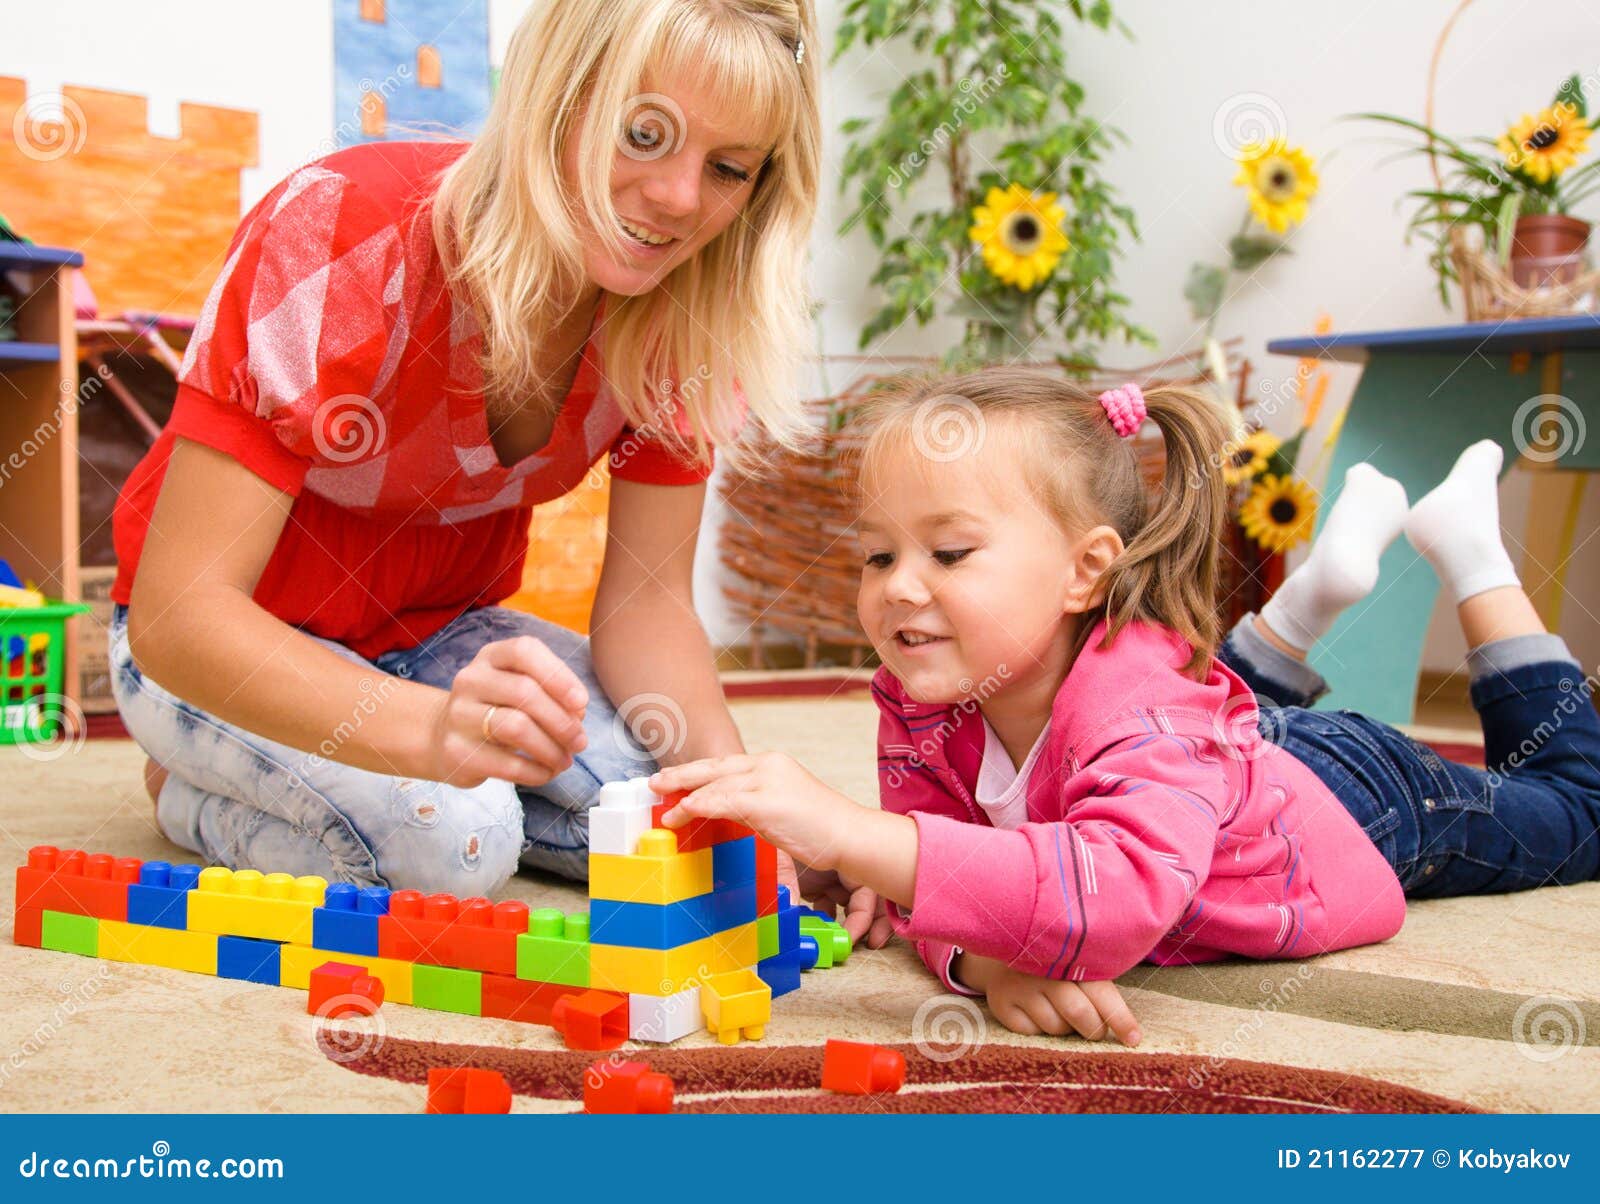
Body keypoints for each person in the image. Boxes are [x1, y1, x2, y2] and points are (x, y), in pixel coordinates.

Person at [651, 366, 1600, 1044]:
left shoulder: (1143, 710)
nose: (899, 587)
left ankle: (1473, 553)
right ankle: (1303, 607)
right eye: (877, 554)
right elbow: (939, 881)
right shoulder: (924, 690)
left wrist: (852, 834)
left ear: (1086, 570)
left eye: (947, 555)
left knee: (1578, 808)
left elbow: (1114, 900)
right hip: (1198, 758)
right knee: (1178, 722)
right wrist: (985, 963)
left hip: (1353, 801)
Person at [109, 0, 819, 895]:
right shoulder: (343, 229)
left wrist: (741, 805)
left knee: (672, 830)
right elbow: (183, 617)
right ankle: (191, 790)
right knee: (455, 841)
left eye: (727, 169)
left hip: (445, 638)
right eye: (643, 134)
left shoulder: (689, 318)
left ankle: (354, 786)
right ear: (556, 96)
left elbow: (649, 611)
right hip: (230, 647)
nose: (679, 200)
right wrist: (431, 736)